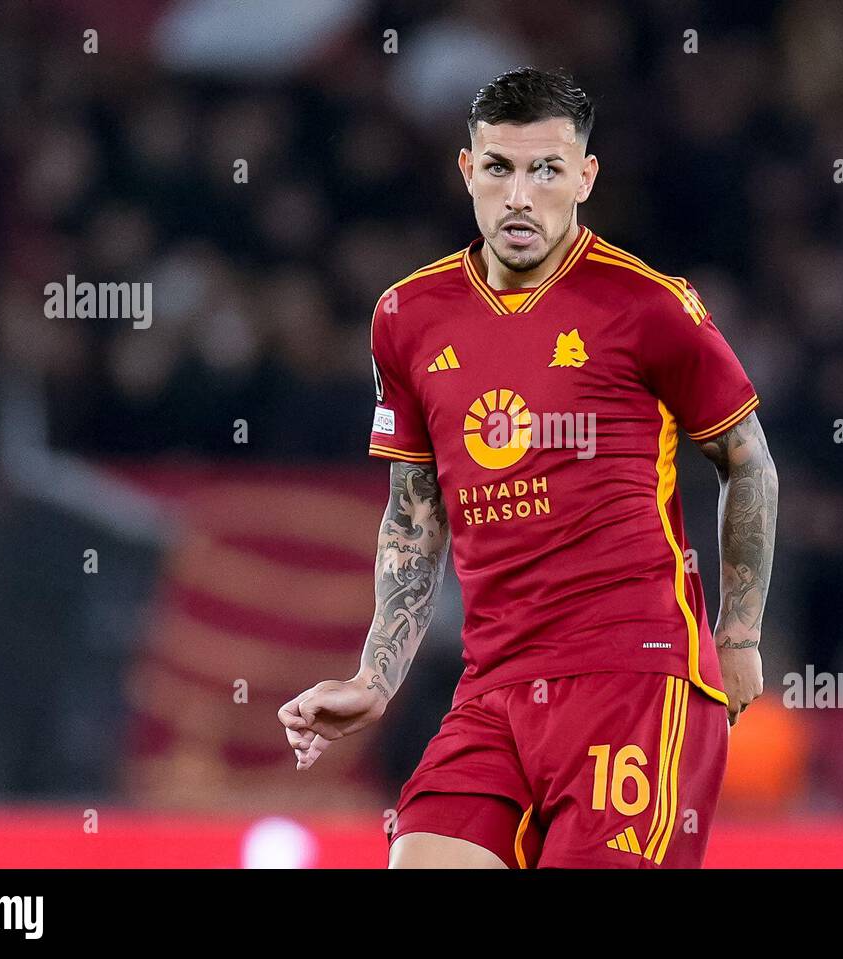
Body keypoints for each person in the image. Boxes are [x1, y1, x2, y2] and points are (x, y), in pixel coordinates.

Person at [278, 67, 777, 868]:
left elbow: (747, 458)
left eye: (547, 170)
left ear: (584, 177)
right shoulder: (407, 317)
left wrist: (741, 636)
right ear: (467, 170)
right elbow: (415, 514)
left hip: (635, 679)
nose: (521, 195)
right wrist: (375, 677)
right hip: (492, 686)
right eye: (502, 168)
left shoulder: (647, 305)